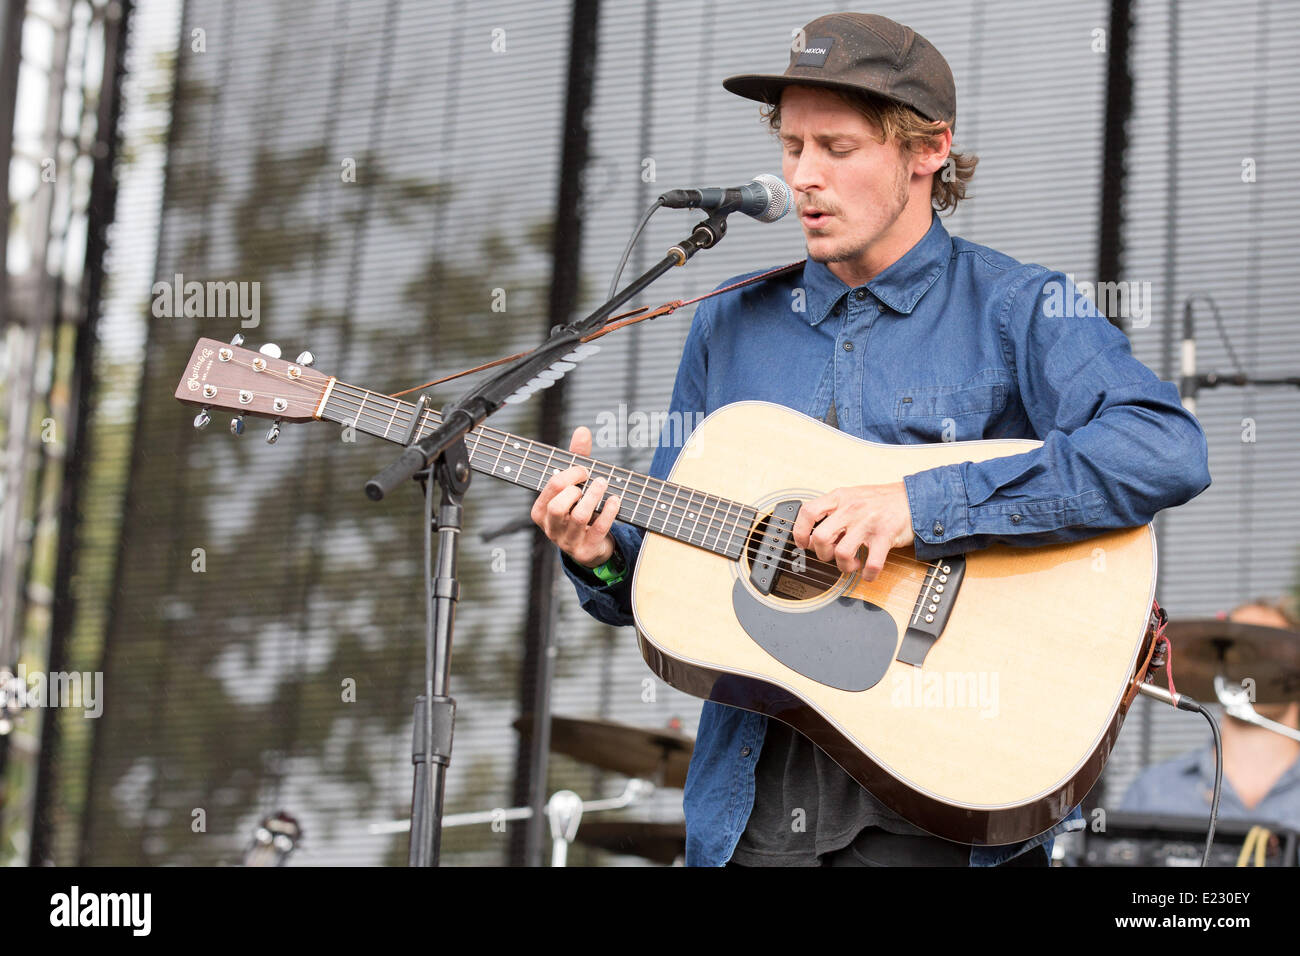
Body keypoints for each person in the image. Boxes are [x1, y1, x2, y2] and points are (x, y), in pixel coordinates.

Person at [529, 11, 1211, 866]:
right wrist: (597, 550)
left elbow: (1164, 447)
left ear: (927, 151)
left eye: (837, 149)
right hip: (749, 815)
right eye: (792, 145)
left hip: (944, 802)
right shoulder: (727, 326)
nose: (802, 177)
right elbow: (665, 582)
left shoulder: (1018, 307)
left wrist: (918, 505)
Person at [1119, 600, 1300, 832]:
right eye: (1240, 650)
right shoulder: (1153, 791)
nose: (1252, 663)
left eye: (1270, 647)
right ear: (1218, 665)